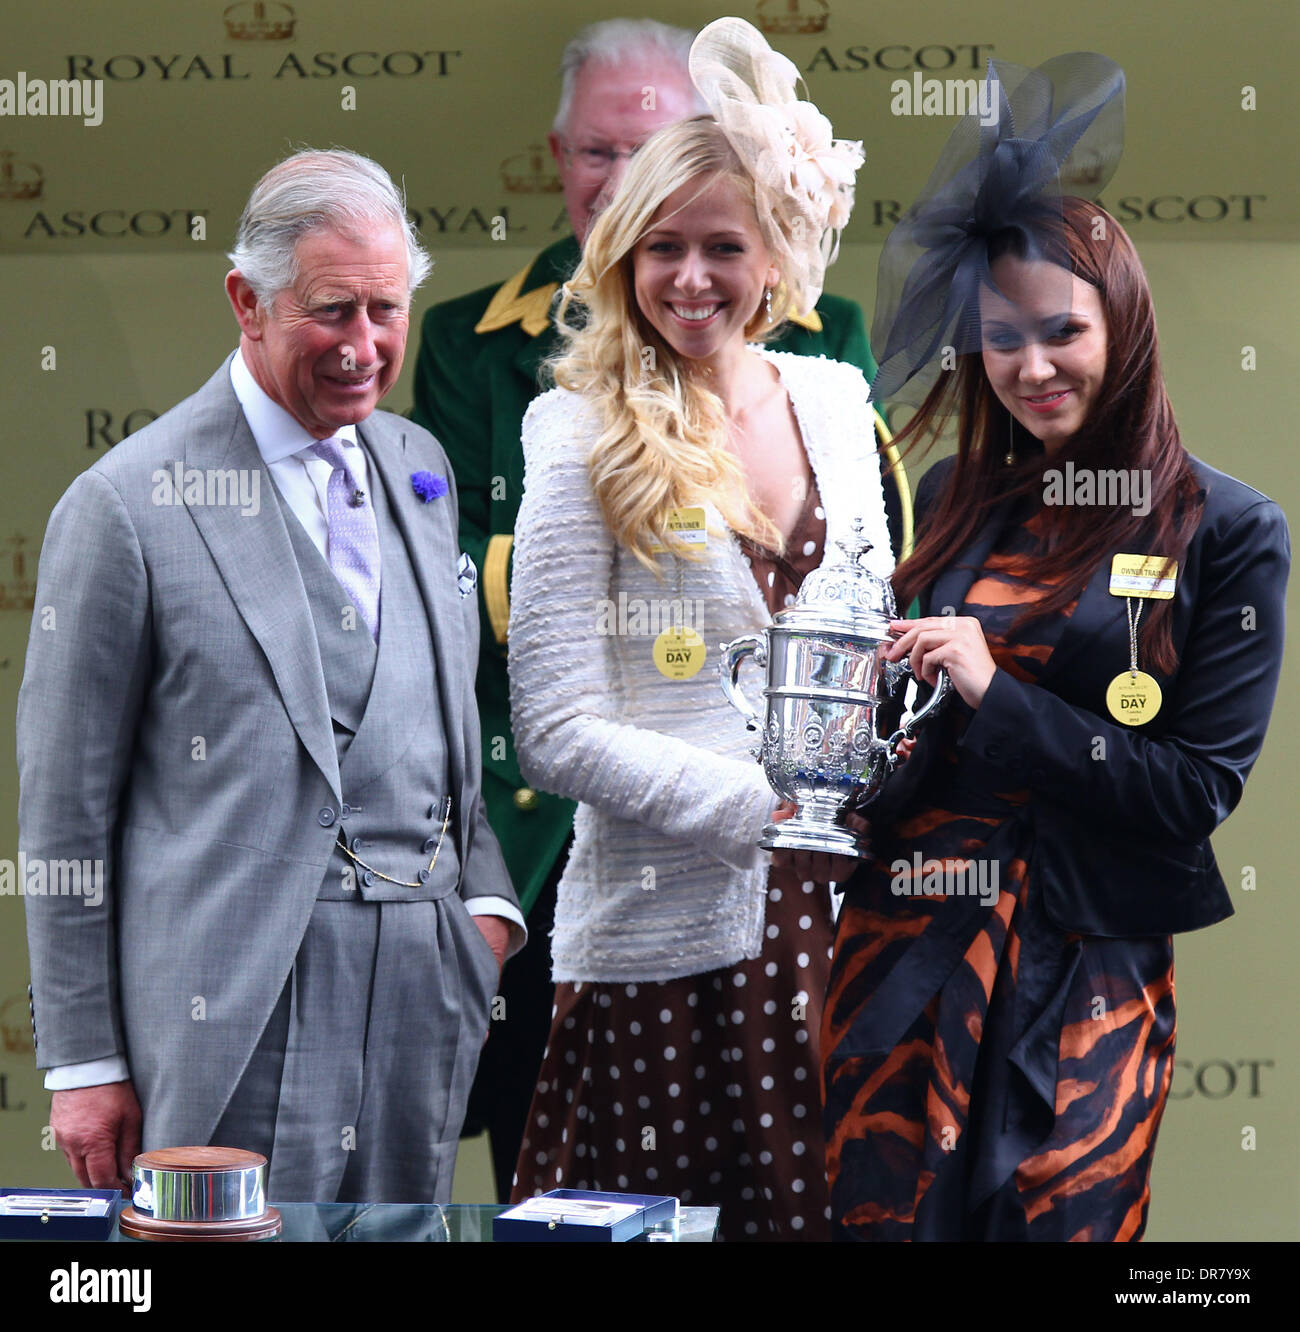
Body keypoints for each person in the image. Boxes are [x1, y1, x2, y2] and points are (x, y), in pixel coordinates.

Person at [408, 15, 908, 1202]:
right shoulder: (573, 428)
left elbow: (864, 640)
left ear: (774, 256)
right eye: (660, 248)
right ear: (621, 259)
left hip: (845, 928)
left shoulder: (836, 399)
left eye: (723, 246)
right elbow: (555, 726)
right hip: (659, 938)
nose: (691, 279)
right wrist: (765, 809)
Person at [821, 55, 1290, 1241]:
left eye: (1061, 330)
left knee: (1063, 1223)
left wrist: (991, 688)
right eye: (999, 338)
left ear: (1121, 321)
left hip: (1084, 966)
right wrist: (868, 712)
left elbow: (1193, 790)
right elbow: (907, 739)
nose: (1031, 367)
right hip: (902, 940)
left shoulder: (1227, 530)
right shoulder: (950, 495)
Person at [18, 148, 523, 1204]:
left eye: (387, 311)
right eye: (332, 312)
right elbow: (65, 814)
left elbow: (444, 726)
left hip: (420, 992)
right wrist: (83, 1063)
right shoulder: (126, 505)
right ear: (247, 302)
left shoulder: (420, 466)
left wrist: (481, 916)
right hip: (225, 1007)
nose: (365, 346)